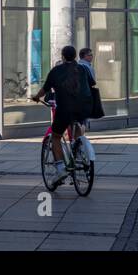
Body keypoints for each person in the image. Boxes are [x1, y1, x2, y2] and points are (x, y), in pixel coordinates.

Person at [32, 46, 95, 185]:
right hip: (83, 108)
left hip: (65, 109)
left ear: (63, 56)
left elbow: (45, 89)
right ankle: (79, 151)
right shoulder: (83, 69)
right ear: (75, 56)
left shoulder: (56, 70)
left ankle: (61, 169)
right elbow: (92, 84)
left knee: (55, 136)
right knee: (77, 130)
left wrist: (36, 97)